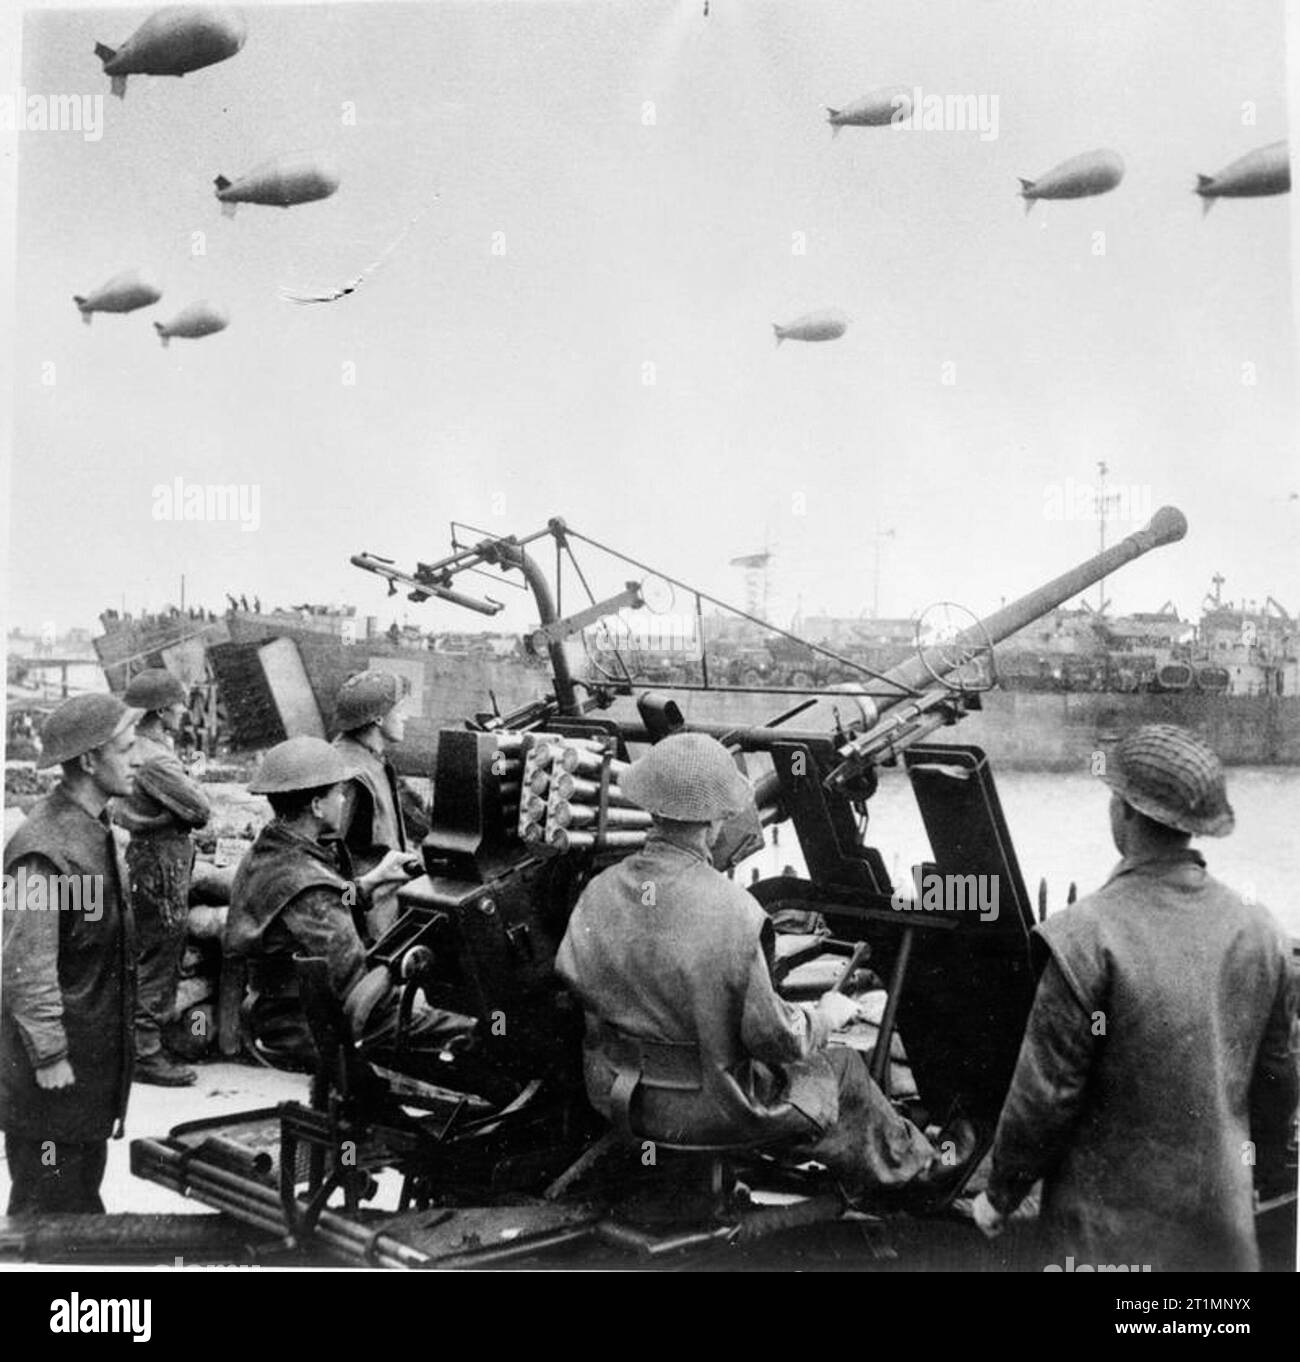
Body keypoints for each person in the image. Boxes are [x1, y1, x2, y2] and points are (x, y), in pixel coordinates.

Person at [555, 732, 973, 1202]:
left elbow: (576, 981)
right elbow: (778, 1040)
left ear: (650, 807)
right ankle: (919, 1173)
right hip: (711, 1109)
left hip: (621, 1097)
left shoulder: (599, 892)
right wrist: (826, 1016)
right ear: (714, 820)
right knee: (842, 1067)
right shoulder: (736, 912)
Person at [972, 725, 1298, 1271]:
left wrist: (1000, 1195)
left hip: (1105, 1248)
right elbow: (1278, 1082)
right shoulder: (1261, 932)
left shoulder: (1084, 937)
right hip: (1220, 1242)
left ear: (1122, 811)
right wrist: (1264, 1174)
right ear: (1195, 827)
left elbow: (1045, 1097)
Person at [224, 737, 474, 1072]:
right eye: (339, 793)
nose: (343, 800)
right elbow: (360, 995)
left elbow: (313, 903)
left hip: (276, 1010)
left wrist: (369, 883)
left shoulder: (271, 852)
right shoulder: (307, 883)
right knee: (478, 1032)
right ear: (316, 806)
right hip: (310, 1024)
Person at [0, 694, 142, 1213]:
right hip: (54, 1083)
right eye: (126, 750)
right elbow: (25, 965)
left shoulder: (90, 833)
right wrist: (50, 1054)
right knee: (46, 1216)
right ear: (88, 760)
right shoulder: (43, 850)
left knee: (76, 1203)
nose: (139, 759)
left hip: (84, 1076)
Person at [115, 670, 212, 1086]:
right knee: (160, 955)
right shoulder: (155, 758)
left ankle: (140, 1045)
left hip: (149, 856)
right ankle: (146, 1055)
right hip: (162, 861)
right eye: (177, 704)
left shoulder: (137, 750)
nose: (183, 711)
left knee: (148, 952)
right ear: (159, 710)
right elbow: (200, 810)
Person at [332, 670, 414, 939]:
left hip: (382, 914)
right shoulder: (348, 771)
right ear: (378, 717)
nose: (406, 717)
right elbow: (322, 865)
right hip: (361, 926)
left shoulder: (369, 759)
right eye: (400, 709)